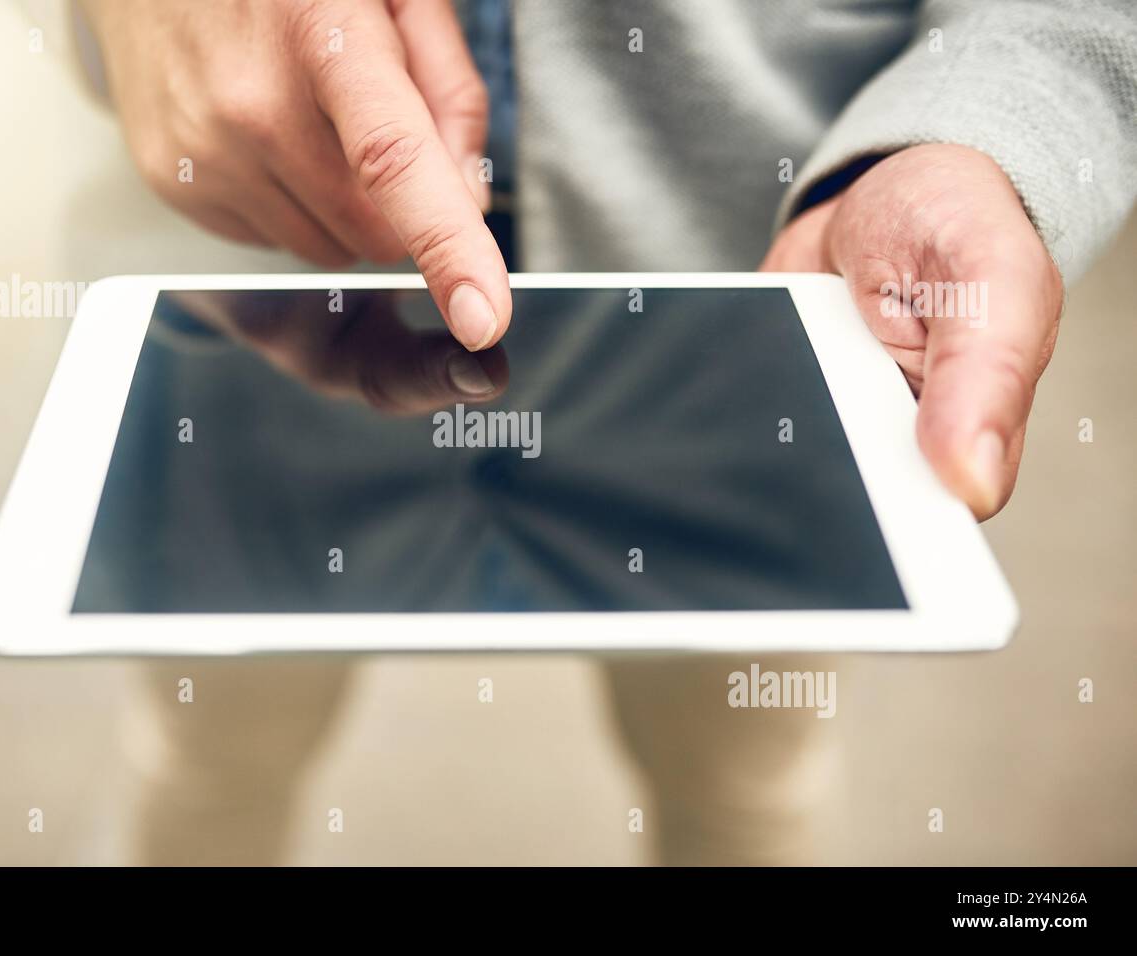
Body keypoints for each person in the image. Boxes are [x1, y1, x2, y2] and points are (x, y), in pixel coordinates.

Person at [62, 0, 1137, 864]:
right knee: (214, 755)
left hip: (754, 319)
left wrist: (983, 132)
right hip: (254, 297)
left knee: (737, 782)